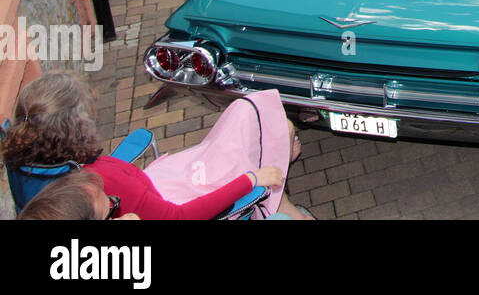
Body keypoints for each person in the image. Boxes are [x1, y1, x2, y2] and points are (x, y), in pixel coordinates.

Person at [4, 72, 309, 219]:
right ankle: (282, 195)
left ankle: (282, 174)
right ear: (77, 127)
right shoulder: (96, 184)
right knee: (271, 130)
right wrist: (250, 180)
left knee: (258, 122)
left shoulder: (23, 162)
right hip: (176, 197)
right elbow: (179, 218)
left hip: (160, 181)